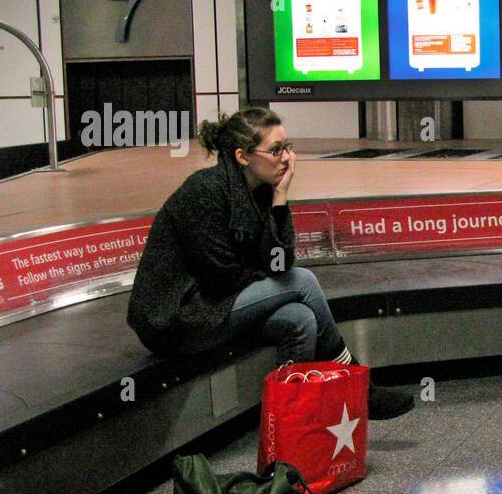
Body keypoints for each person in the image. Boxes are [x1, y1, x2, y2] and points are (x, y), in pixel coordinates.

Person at [127, 107, 414, 419]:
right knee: (302, 282)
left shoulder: (261, 191)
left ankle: (291, 420)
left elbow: (280, 263)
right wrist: (265, 272)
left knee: (300, 319)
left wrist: (280, 198)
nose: (287, 158)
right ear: (243, 156)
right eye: (276, 150)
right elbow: (221, 276)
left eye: (288, 147)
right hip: (178, 318)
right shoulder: (204, 191)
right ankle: (360, 389)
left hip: (219, 305)